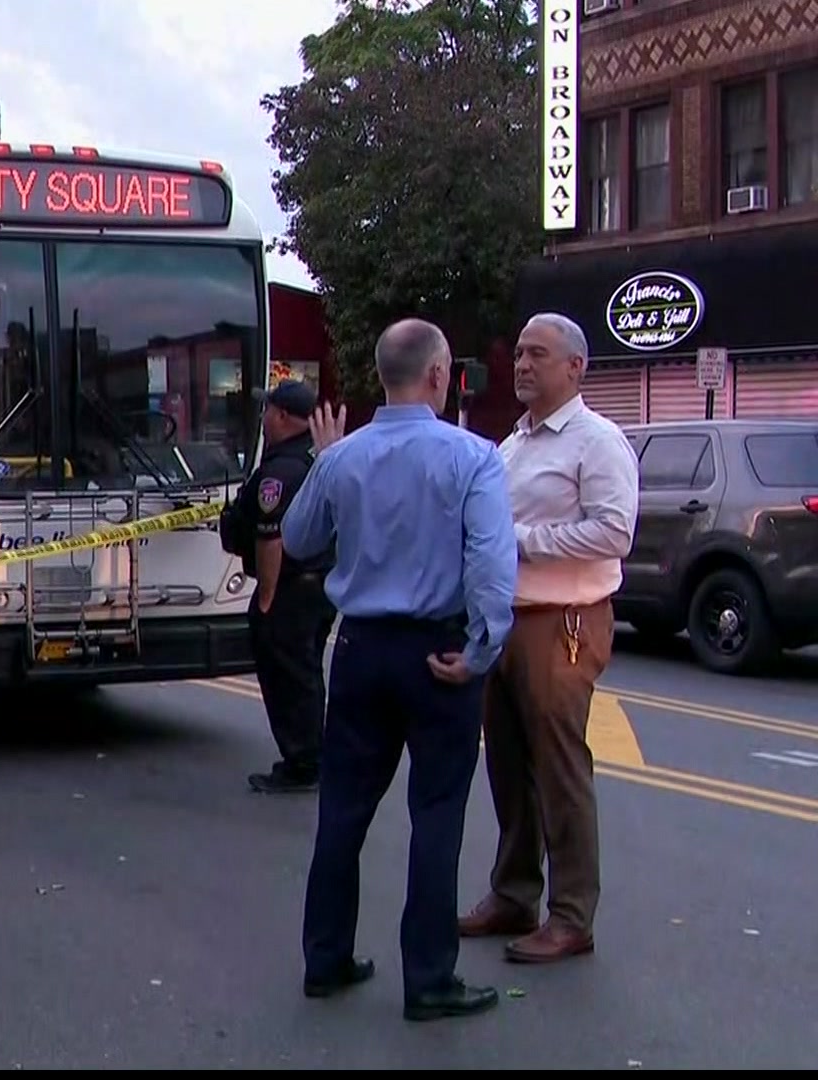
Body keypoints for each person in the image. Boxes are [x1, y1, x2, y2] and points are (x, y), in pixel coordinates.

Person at [281, 318, 517, 1023]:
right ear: (439, 375)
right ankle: (429, 977)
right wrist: (481, 650)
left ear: (383, 375)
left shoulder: (343, 458)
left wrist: (329, 475)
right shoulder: (472, 457)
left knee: (342, 810)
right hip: (437, 652)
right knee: (436, 814)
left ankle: (325, 959)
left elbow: (297, 536)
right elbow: (491, 565)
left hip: (360, 650)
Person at [460, 312, 638, 964]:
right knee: (508, 767)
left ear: (575, 366)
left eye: (538, 354)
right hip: (504, 621)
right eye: (519, 354)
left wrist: (521, 543)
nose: (523, 364)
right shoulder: (514, 443)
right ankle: (514, 894)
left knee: (560, 770)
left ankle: (571, 916)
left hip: (562, 622)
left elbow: (615, 531)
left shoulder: (597, 441)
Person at [221, 378, 333, 794]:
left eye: (268, 409)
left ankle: (302, 763)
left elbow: (271, 537)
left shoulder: (281, 471)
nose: (264, 415)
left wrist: (266, 597)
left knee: (288, 678)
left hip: (288, 589)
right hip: (318, 585)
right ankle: (313, 756)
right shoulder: (314, 457)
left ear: (283, 416)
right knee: (306, 674)